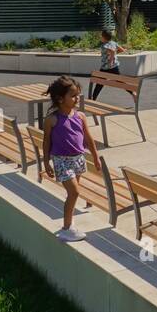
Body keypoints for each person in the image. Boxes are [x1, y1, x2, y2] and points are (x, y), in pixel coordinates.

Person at [40, 75, 99, 242]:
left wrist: (95, 157)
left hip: (78, 158)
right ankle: (66, 228)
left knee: (72, 195)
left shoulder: (80, 117)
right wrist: (46, 162)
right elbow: (46, 141)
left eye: (78, 95)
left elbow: (88, 138)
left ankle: (69, 223)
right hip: (61, 160)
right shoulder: (52, 119)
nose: (77, 99)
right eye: (73, 96)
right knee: (74, 192)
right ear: (60, 98)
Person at [89, 29, 124, 100]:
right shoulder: (113, 43)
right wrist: (112, 57)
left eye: (101, 36)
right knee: (120, 81)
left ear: (104, 37)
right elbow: (121, 50)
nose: (100, 37)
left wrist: (111, 61)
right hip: (114, 67)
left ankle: (93, 99)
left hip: (106, 67)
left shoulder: (104, 46)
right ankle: (133, 93)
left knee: (99, 83)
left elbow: (113, 52)